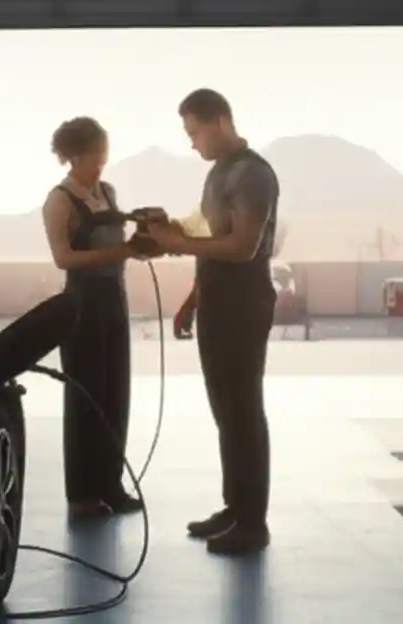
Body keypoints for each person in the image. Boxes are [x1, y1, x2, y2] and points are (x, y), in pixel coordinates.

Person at [142, 89, 279, 555]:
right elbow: (206, 235)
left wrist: (174, 245)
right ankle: (235, 508)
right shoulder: (217, 175)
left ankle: (252, 523)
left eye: (194, 132)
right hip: (218, 302)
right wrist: (191, 294)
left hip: (244, 305)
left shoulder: (254, 175)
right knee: (225, 410)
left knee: (242, 410)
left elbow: (241, 247)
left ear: (219, 121)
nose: (192, 143)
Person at [41, 116, 145, 518]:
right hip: (82, 301)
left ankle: (111, 486)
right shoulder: (59, 200)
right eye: (92, 156)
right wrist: (121, 253)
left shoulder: (108, 191)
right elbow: (63, 257)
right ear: (72, 155)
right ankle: (82, 494)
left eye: (103, 155)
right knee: (86, 394)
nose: (100, 163)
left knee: (116, 392)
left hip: (115, 297)